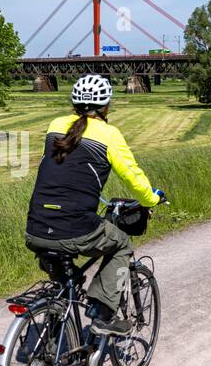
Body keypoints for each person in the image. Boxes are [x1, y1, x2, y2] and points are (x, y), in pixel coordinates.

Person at [24, 74, 163, 335]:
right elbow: (134, 177)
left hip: (35, 228)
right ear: (106, 105)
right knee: (121, 242)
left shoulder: (55, 125)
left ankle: (60, 316)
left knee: (67, 279)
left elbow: (65, 169)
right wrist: (152, 199)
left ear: (74, 103)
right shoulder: (109, 134)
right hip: (75, 228)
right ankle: (103, 314)